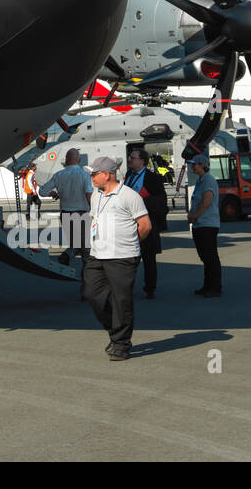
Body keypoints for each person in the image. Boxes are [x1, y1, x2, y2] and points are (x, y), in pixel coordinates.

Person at [82, 155, 152, 360]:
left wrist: (129, 244)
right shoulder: (96, 196)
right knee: (92, 295)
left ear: (107, 174)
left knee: (122, 301)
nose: (92, 178)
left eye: (94, 174)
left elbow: (145, 226)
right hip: (97, 255)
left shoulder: (129, 196)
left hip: (122, 256)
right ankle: (115, 331)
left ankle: (121, 344)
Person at [124, 148, 168, 298]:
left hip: (146, 222)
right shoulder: (129, 175)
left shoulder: (153, 178)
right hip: (129, 223)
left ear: (142, 161)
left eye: (133, 158)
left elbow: (162, 202)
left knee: (149, 258)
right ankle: (125, 286)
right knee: (130, 259)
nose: (130, 159)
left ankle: (150, 288)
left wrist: (142, 200)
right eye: (130, 157)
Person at [39, 147, 93, 265]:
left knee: (75, 242)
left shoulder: (59, 175)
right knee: (85, 246)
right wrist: (93, 212)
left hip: (65, 214)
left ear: (66, 160)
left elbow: (42, 191)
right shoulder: (85, 175)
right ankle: (87, 271)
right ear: (78, 160)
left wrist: (52, 193)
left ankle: (67, 256)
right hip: (81, 213)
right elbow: (89, 193)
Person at [186, 153, 222, 297]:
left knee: (210, 257)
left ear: (202, 165)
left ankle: (215, 288)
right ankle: (208, 286)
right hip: (200, 225)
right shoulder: (201, 180)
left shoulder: (208, 181)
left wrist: (194, 215)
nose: (192, 166)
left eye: (194, 164)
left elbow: (207, 200)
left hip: (207, 224)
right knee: (205, 257)